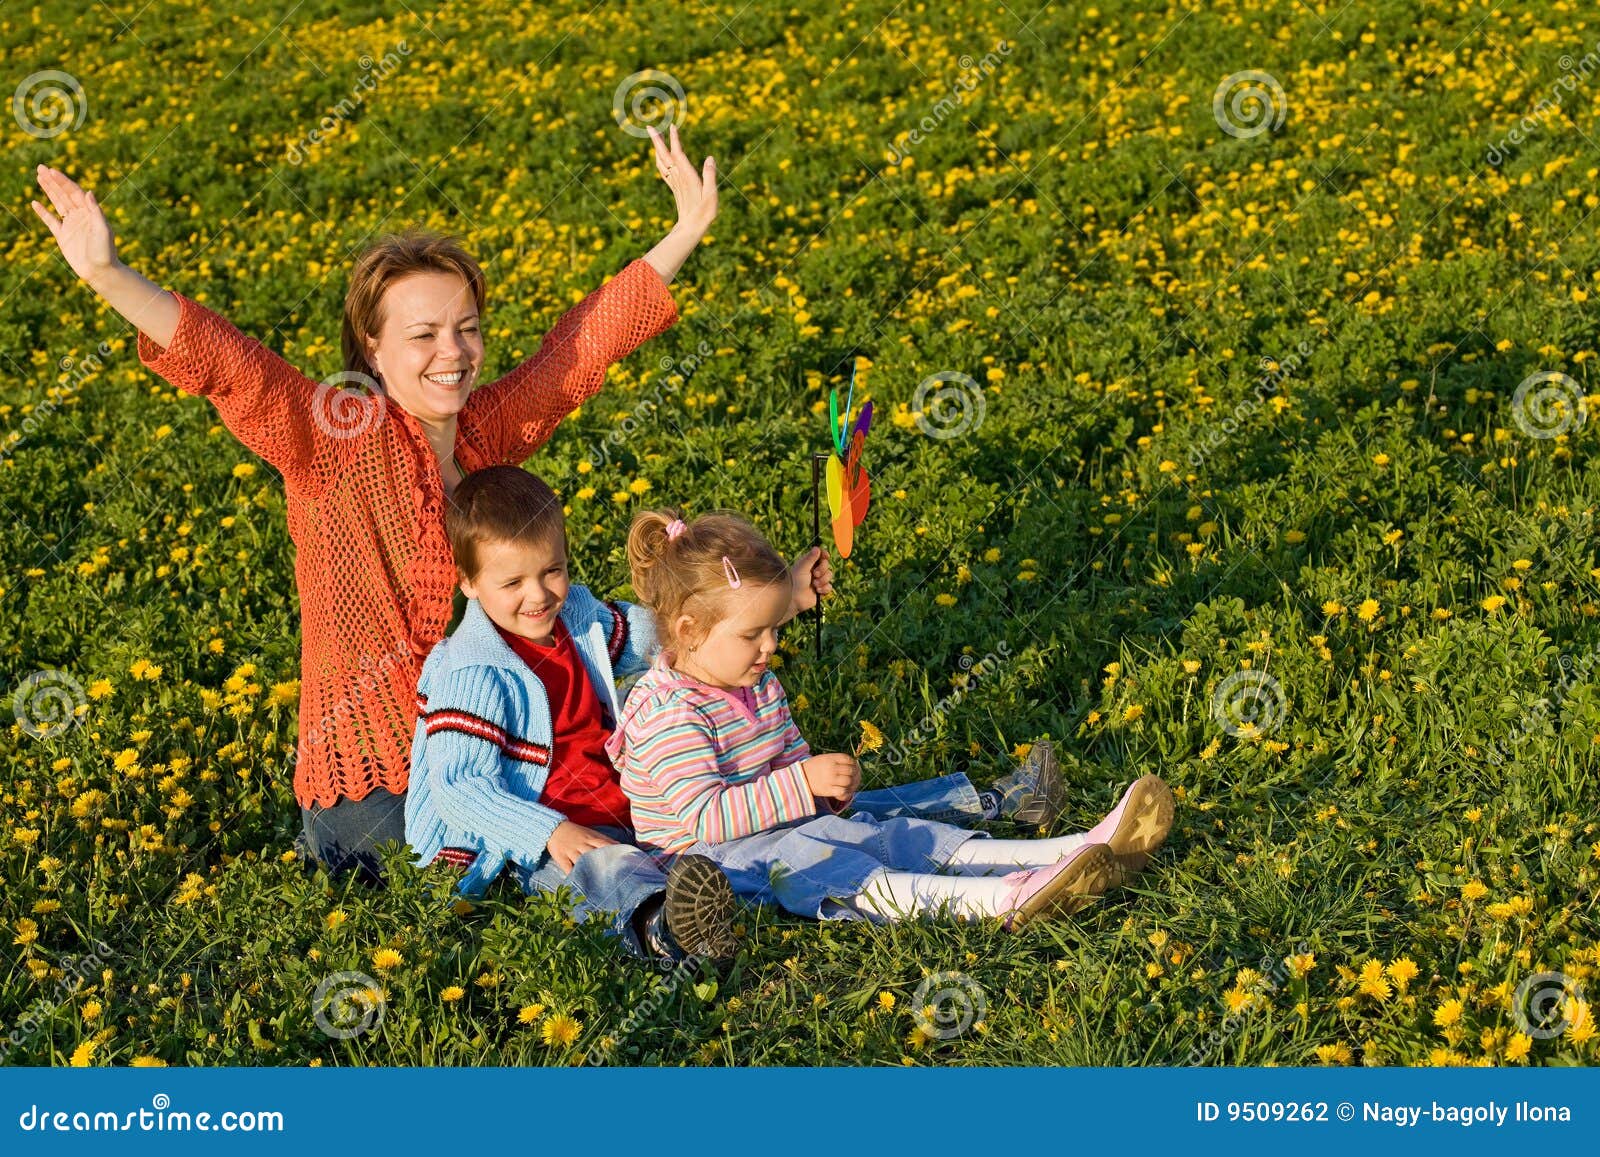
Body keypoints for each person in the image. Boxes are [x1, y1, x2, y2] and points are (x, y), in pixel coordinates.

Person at [29, 124, 715, 879]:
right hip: (378, 784)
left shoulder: (485, 427)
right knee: (549, 868)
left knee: (645, 794)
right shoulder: (338, 437)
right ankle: (655, 903)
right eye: (423, 334)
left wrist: (683, 232)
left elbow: (577, 353)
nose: (452, 354)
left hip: (490, 742)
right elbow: (236, 370)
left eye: (466, 329)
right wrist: (107, 274)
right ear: (372, 344)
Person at [406, 467, 1088, 959]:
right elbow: (461, 787)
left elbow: (674, 630)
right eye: (513, 582)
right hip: (548, 837)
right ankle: (670, 928)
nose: (539, 594)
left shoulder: (576, 613)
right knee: (604, 874)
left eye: (551, 570)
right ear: (467, 583)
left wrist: (778, 599)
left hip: (643, 806)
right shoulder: (471, 668)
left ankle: (985, 803)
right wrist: (548, 831)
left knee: (842, 802)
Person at [609, 507, 1176, 928]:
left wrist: (820, 790)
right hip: (708, 863)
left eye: (775, 628)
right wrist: (801, 784)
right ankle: (999, 901)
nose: (771, 646)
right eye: (754, 634)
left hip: (776, 828)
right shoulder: (670, 715)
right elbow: (706, 817)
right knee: (821, 861)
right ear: (688, 632)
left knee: (885, 831)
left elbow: (785, 756)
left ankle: (1069, 852)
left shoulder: (749, 680)